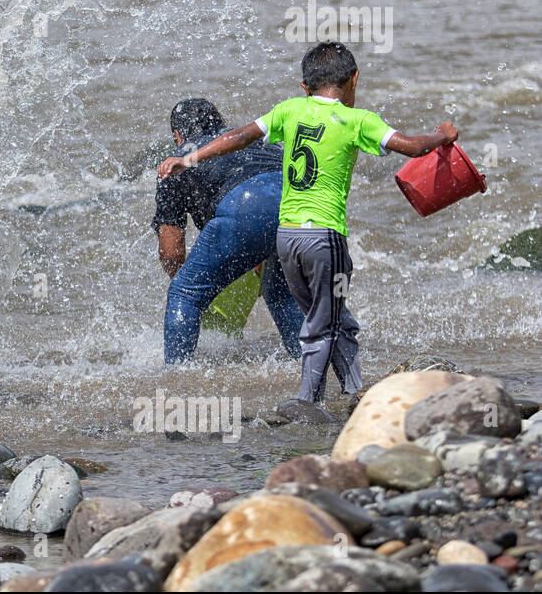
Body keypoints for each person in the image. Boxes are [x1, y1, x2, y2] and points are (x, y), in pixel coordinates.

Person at [158, 42, 458, 405]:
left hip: (283, 227)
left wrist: (187, 162)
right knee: (295, 301)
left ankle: (177, 386)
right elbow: (411, 146)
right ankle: (332, 391)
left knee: (187, 293)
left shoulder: (287, 112)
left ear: (304, 87)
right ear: (355, 79)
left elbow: (171, 250)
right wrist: (443, 134)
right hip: (300, 217)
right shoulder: (356, 119)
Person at [152, 98, 303, 365]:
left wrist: (201, 290)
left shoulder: (177, 161)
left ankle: (176, 379)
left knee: (185, 292)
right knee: (279, 290)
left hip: (248, 207)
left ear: (178, 136)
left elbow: (171, 252)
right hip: (301, 209)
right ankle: (310, 366)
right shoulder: (256, 142)